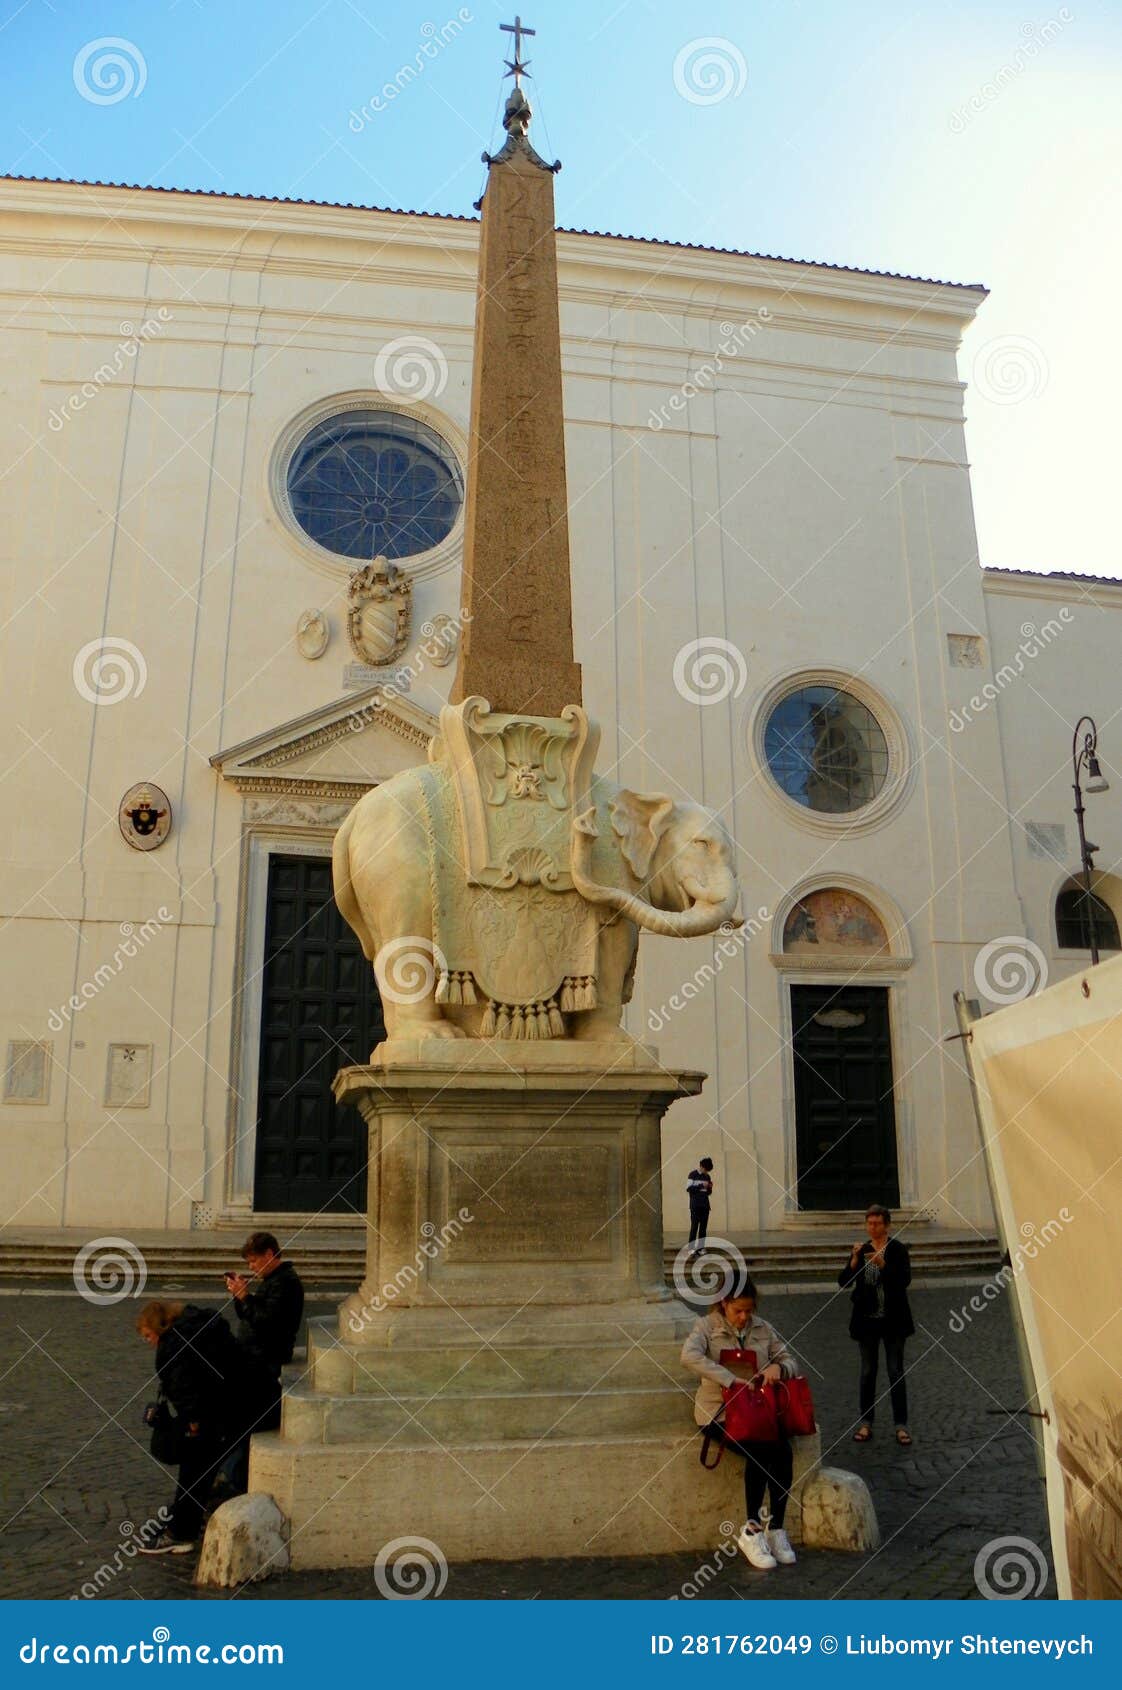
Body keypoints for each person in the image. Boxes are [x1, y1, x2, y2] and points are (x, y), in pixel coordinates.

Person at [680, 1271, 799, 1570]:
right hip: (718, 1412)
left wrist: (779, 1369)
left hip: (756, 1412)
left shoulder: (763, 1328)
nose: (744, 1317)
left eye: (749, 1310)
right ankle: (751, 1530)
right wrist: (730, 1379)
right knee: (759, 1450)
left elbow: (789, 1359)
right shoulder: (706, 1327)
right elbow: (689, 1356)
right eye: (738, 1310)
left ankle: (776, 1529)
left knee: (783, 1451)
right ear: (724, 1303)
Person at [134, 1300, 245, 1555]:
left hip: (212, 1416)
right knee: (197, 1473)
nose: (148, 1341)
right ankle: (180, 1525)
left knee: (194, 1473)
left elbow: (188, 1394)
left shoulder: (172, 1349)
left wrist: (191, 1425)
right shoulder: (197, 1327)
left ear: (159, 1328)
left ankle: (180, 1532)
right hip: (231, 1404)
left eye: (148, 1336)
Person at [216, 1232, 305, 1492]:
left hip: (264, 1360)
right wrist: (240, 1296)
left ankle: (233, 1478)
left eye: (254, 1261)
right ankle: (230, 1475)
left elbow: (267, 1322)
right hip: (253, 1356)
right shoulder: (272, 1281)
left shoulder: (285, 1283)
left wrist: (245, 1296)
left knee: (241, 1420)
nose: (252, 1267)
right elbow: (250, 1315)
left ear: (269, 1254)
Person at [838, 1203, 914, 1445]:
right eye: (870, 1223)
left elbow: (904, 1280)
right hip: (867, 1322)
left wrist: (883, 1265)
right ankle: (866, 1422)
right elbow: (843, 1282)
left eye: (878, 1223)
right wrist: (853, 1261)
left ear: (887, 1225)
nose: (873, 1227)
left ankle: (900, 1425)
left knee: (895, 1371)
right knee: (867, 1372)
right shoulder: (862, 1250)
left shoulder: (897, 1249)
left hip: (893, 1321)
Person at [686, 1157, 714, 1257]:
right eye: (706, 1169)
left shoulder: (707, 1176)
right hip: (695, 1205)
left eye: (708, 1170)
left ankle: (701, 1248)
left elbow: (708, 1193)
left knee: (703, 1228)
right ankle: (691, 1249)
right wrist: (701, 1185)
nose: (706, 1172)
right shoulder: (692, 1174)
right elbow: (689, 1189)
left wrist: (709, 1187)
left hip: (705, 1205)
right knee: (694, 1227)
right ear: (701, 1166)